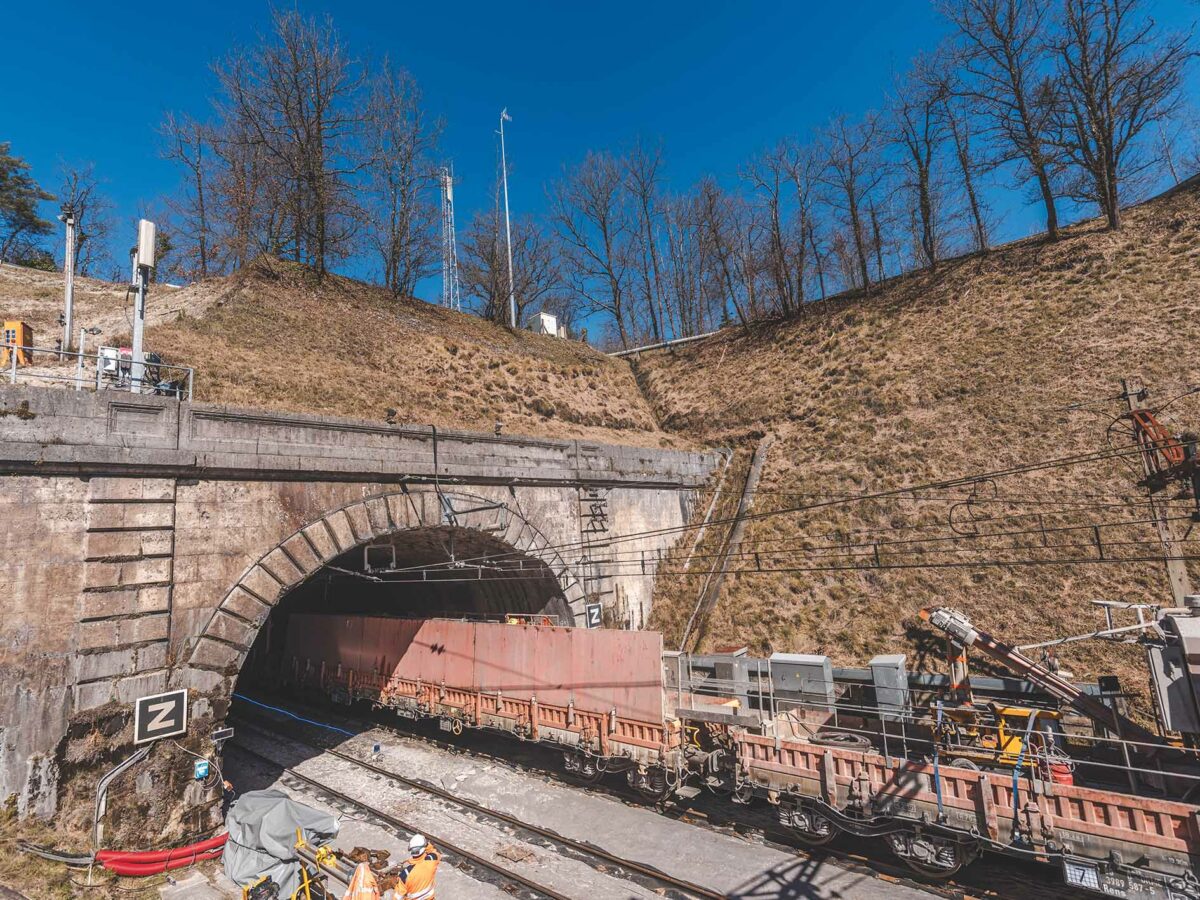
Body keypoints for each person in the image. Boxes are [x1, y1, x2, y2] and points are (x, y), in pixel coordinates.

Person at [396, 834, 440, 900]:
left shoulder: (405, 874)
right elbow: (434, 852)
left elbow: (397, 897)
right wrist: (427, 845)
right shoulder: (432, 860)